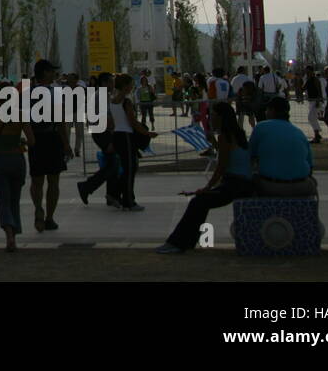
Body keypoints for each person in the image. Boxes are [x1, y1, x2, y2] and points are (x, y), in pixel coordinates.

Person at [156, 102, 254, 253]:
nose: (209, 118)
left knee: (198, 203)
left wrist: (207, 188)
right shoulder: (238, 133)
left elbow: (221, 167)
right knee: (200, 203)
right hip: (243, 182)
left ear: (220, 117)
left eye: (212, 115)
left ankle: (178, 243)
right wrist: (214, 143)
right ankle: (184, 242)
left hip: (235, 184)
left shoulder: (224, 136)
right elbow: (230, 158)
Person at [0, 81, 33, 252]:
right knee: (15, 200)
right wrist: (20, 142)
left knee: (3, 200)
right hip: (17, 160)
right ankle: (14, 230)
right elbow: (32, 141)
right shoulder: (21, 115)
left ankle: (9, 235)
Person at [27, 60, 71, 231]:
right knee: (53, 180)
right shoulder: (55, 93)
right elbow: (60, 121)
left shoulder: (27, 93)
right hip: (52, 138)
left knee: (36, 179)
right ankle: (50, 218)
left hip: (35, 140)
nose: (54, 74)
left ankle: (38, 209)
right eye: (52, 71)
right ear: (45, 72)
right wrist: (66, 144)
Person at [249, 98, 317, 197]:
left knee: (250, 181)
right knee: (313, 182)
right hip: (300, 186)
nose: (265, 112)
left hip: (270, 185)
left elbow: (250, 156)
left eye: (267, 109)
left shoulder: (260, 127)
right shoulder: (298, 132)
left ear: (272, 111)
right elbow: (310, 166)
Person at [77, 71, 121, 208]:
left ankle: (111, 196)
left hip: (101, 131)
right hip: (102, 132)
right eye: (111, 81)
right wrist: (115, 129)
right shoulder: (101, 96)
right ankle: (87, 186)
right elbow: (107, 118)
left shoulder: (102, 95)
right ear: (104, 83)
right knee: (113, 164)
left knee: (112, 163)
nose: (113, 84)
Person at [110, 74, 152, 211]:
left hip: (117, 135)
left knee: (128, 168)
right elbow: (132, 122)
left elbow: (112, 122)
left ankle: (115, 193)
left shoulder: (113, 100)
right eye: (130, 84)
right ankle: (128, 201)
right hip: (126, 136)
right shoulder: (126, 102)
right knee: (130, 169)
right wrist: (147, 133)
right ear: (125, 86)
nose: (132, 86)